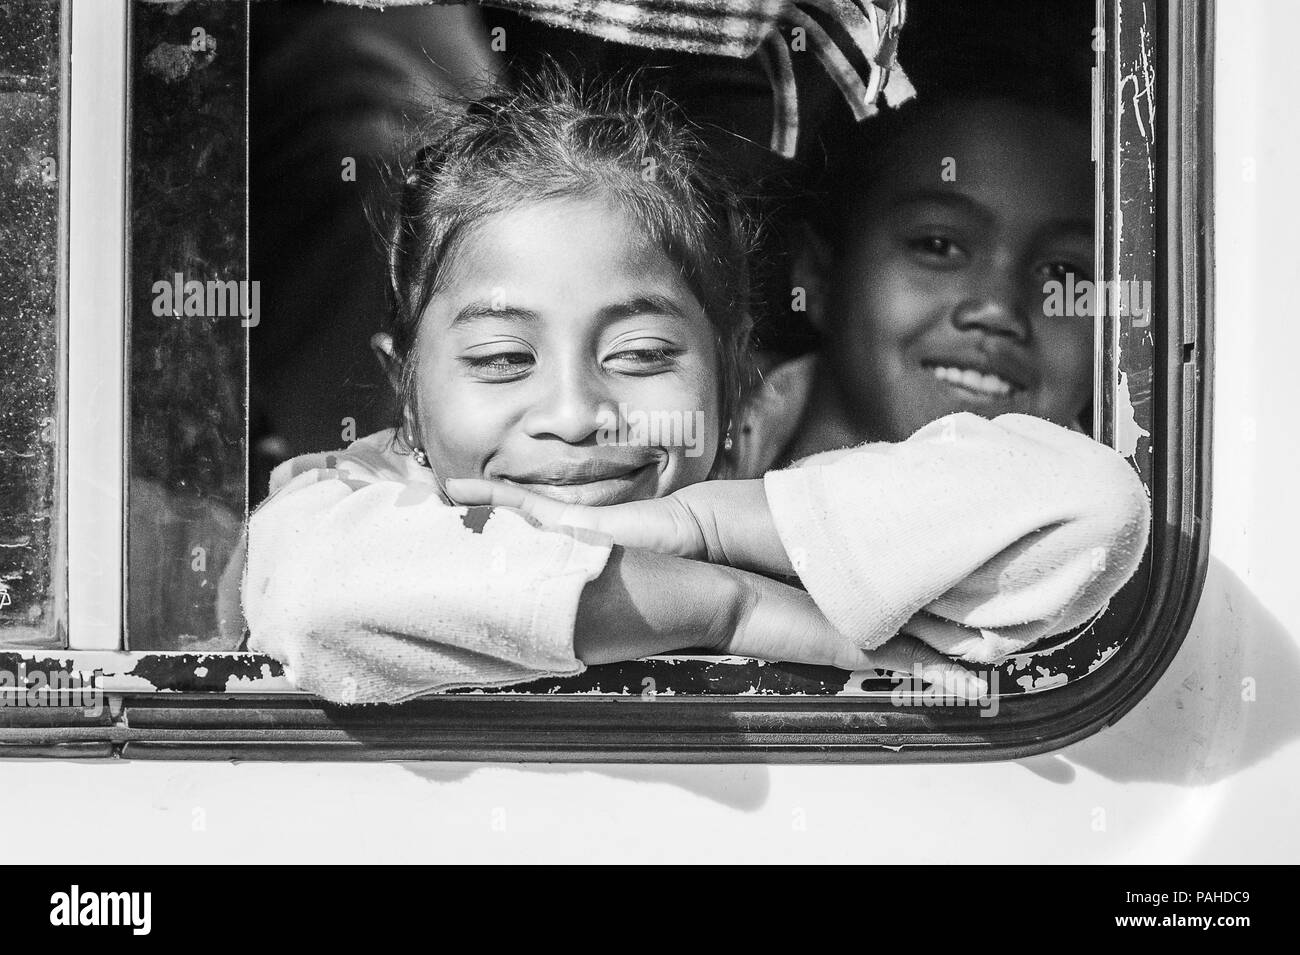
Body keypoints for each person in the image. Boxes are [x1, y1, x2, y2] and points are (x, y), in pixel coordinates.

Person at [237, 72, 1149, 705]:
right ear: (407, 391)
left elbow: (1091, 507)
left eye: (638, 355)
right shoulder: (382, 496)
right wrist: (729, 609)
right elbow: (310, 591)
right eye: (502, 361)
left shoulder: (792, 502)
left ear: (735, 364)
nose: (573, 414)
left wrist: (712, 530)